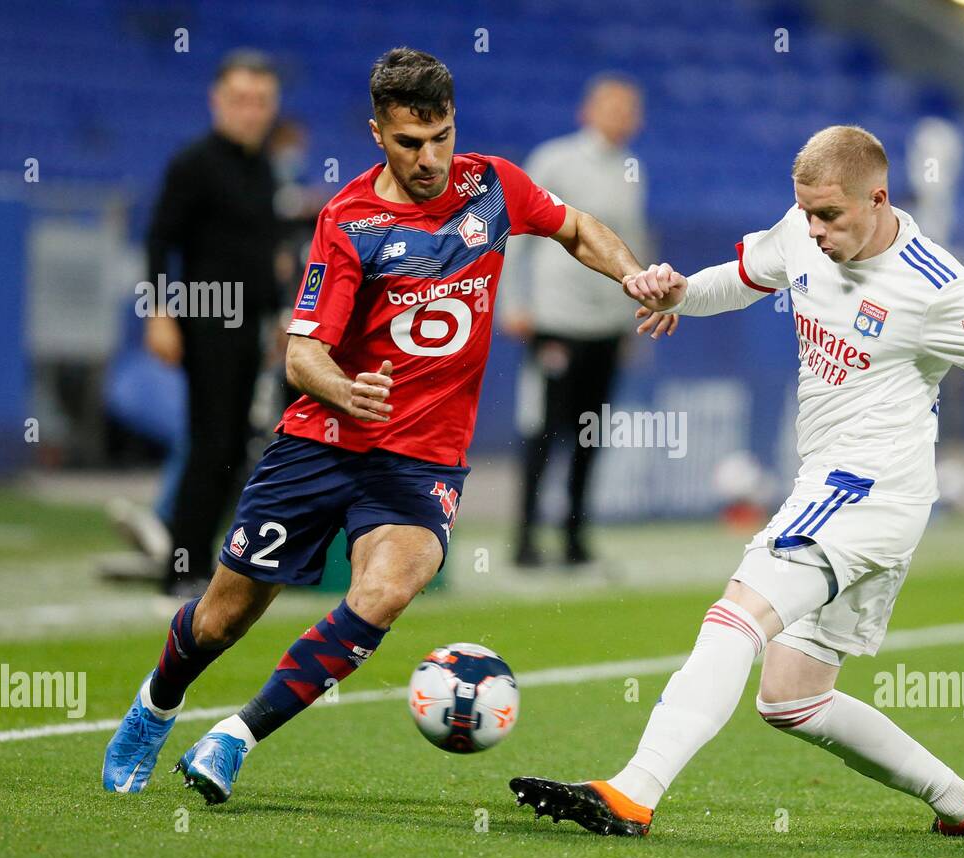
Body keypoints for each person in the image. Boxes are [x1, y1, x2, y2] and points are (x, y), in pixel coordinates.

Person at [509, 126, 964, 838]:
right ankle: (961, 802)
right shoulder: (801, 231)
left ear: (878, 198)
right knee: (791, 697)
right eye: (807, 212)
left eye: (831, 215)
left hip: (865, 490)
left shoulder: (937, 285)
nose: (816, 229)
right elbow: (735, 282)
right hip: (864, 500)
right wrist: (677, 295)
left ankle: (634, 791)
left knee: (736, 616)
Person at [102, 48, 655, 803]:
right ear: (376, 133)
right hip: (321, 445)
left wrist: (631, 276)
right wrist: (345, 389)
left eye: (442, 137)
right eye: (409, 143)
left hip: (421, 458)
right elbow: (302, 355)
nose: (429, 159)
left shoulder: (493, 186)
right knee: (225, 616)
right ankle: (154, 707)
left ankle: (233, 738)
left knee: (389, 589)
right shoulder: (350, 220)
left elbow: (577, 227)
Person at [144, 49, 283, 597]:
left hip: (251, 321)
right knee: (209, 442)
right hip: (205, 314)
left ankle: (204, 561)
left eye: (262, 101)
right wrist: (158, 313)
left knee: (233, 445)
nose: (251, 111)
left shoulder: (264, 167)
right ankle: (180, 566)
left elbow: (264, 250)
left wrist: (276, 317)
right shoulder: (195, 162)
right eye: (241, 99)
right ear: (217, 101)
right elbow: (159, 241)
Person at [500, 74, 651, 566]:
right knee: (544, 428)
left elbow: (633, 243)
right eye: (613, 107)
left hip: (606, 323)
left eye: (629, 109)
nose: (622, 117)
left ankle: (573, 538)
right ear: (588, 110)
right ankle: (524, 539)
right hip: (556, 316)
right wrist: (515, 300)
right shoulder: (555, 159)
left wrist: (635, 315)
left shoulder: (632, 169)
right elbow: (516, 227)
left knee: (591, 431)